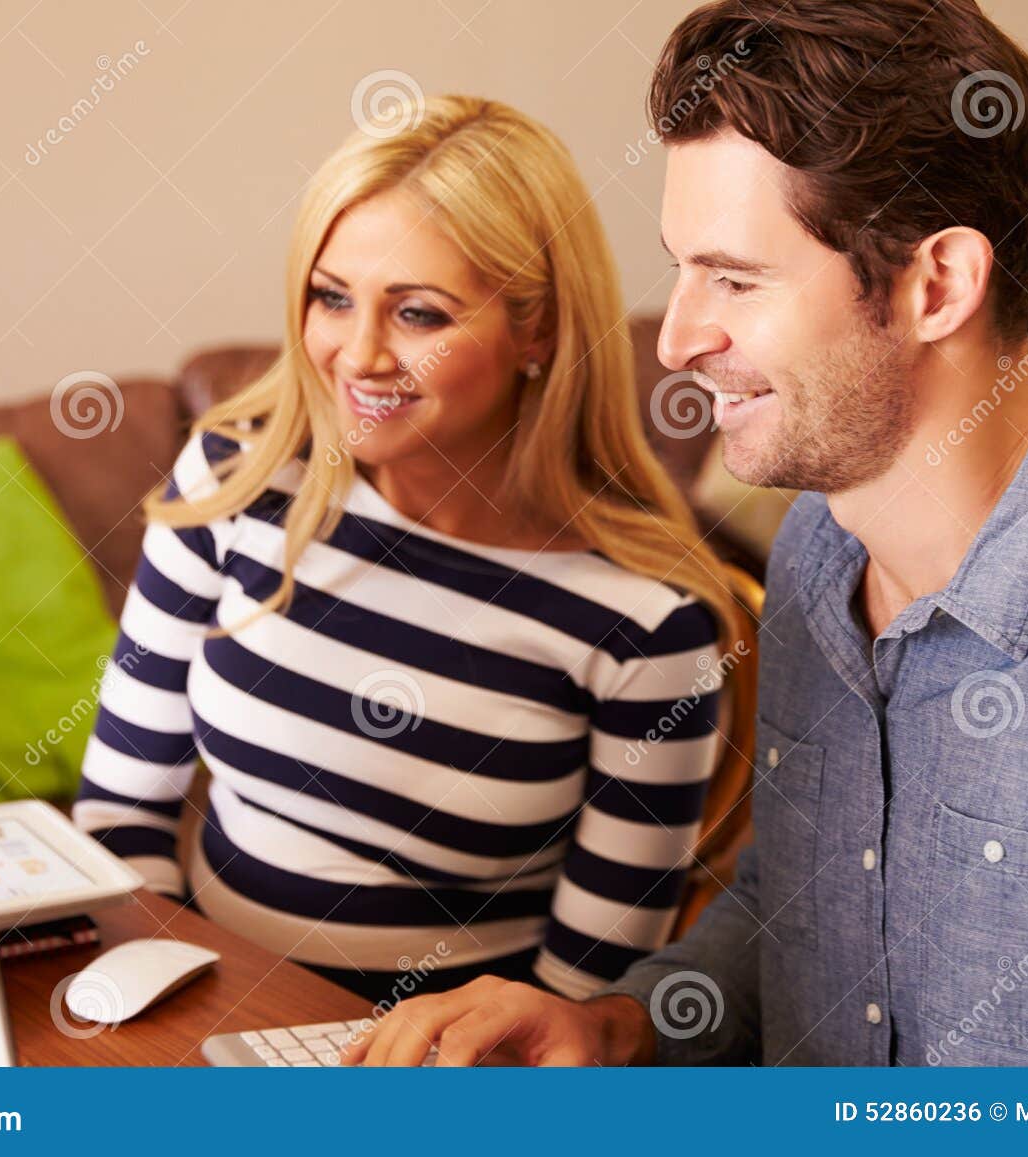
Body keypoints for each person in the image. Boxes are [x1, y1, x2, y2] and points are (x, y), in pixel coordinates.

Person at [345, 0, 1028, 1065]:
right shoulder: (820, 550)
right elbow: (799, 912)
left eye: (733, 277)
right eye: (683, 269)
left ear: (937, 285)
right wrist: (614, 1023)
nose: (678, 337)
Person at [73, 95, 745, 1004]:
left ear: (536, 330)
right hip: (193, 1014)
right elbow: (122, 813)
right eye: (332, 297)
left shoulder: (647, 628)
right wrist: (170, 1008)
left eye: (420, 315)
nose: (358, 356)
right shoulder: (233, 481)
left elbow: (584, 1002)